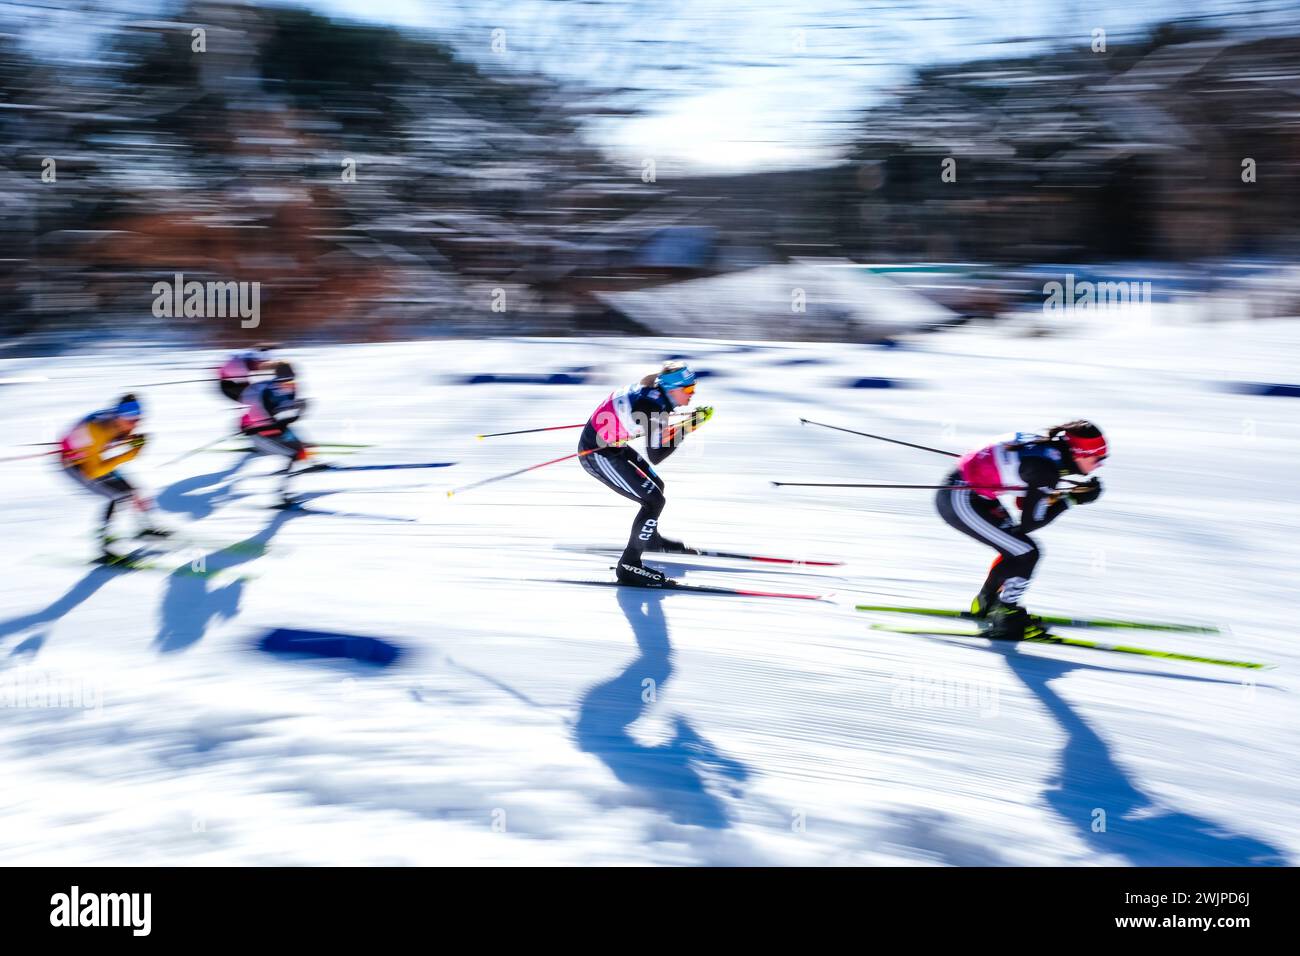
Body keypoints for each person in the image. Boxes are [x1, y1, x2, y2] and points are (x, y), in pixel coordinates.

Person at [935, 420, 1107, 638]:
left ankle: (987, 605)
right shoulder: (1047, 468)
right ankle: (1006, 615)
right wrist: (1071, 499)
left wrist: (1057, 495)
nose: (1099, 465)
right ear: (1079, 453)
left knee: (1018, 547)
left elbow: (1024, 500)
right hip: (959, 498)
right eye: (1097, 458)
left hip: (970, 492)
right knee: (1026, 551)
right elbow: (1030, 522)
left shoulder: (1051, 450)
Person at [578, 360, 713, 586]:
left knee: (656, 487)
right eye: (688, 390)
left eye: (694, 388)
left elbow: (650, 384)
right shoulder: (651, 406)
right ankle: (629, 565)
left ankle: (648, 539)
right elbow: (657, 454)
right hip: (597, 453)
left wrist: (680, 421)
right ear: (673, 389)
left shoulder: (656, 391)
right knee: (653, 501)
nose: (692, 394)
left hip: (612, 444)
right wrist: (688, 427)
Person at [59, 393, 169, 556]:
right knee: (116, 496)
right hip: (75, 465)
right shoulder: (97, 430)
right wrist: (129, 454)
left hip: (91, 456)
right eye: (131, 421)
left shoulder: (119, 421)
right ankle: (105, 546)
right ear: (119, 417)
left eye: (138, 420)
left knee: (132, 491)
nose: (134, 425)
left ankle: (145, 528)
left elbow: (127, 438)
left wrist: (137, 442)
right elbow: (94, 471)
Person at [240, 361, 317, 504]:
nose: (287, 384)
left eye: (290, 380)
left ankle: (312, 463)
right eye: (283, 381)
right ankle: (283, 495)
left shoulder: (291, 387)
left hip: (276, 427)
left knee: (304, 446)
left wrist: (298, 408)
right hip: (260, 432)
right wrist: (299, 411)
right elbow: (278, 418)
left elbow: (286, 416)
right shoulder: (268, 392)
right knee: (293, 455)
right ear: (276, 379)